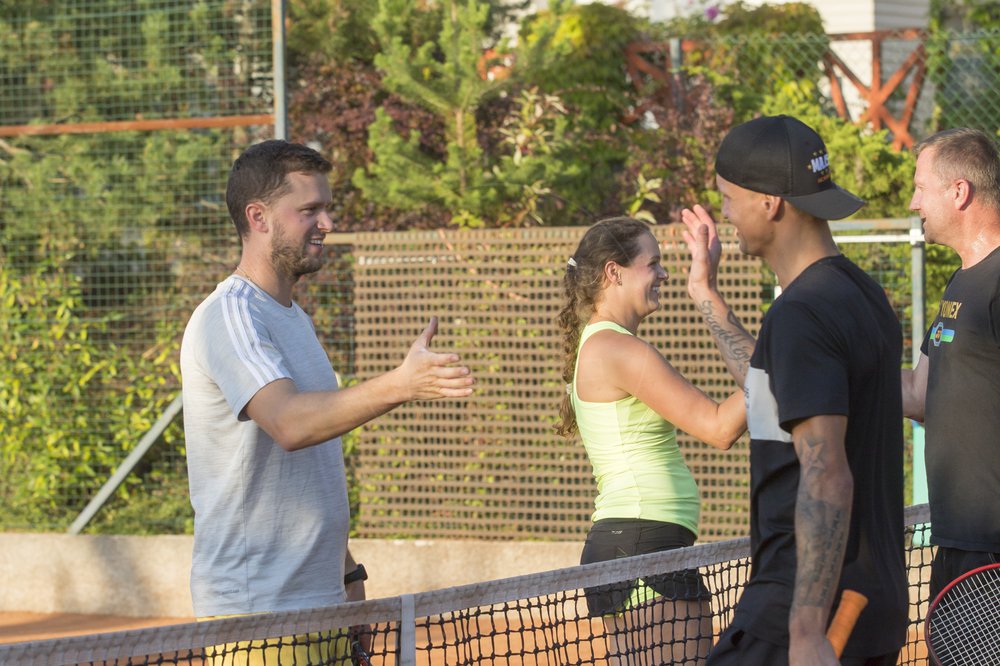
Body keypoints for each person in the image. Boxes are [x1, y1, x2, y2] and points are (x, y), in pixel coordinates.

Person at [180, 139, 475, 663]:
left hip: (322, 608)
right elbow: (291, 425)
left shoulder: (294, 319)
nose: (328, 223)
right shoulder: (230, 317)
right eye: (310, 210)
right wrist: (402, 384)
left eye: (326, 208)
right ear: (259, 217)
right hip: (260, 618)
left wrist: (348, 578)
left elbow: (310, 472)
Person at [680, 115, 908, 666]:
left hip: (804, 612)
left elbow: (826, 470)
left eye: (728, 199)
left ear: (769, 203)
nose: (726, 215)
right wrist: (706, 297)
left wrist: (806, 630)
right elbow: (771, 391)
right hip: (870, 602)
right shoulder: (859, 293)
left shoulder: (801, 312)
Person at [555, 216, 749, 665]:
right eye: (654, 263)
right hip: (642, 542)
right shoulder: (616, 349)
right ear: (614, 272)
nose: (663, 274)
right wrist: (778, 363)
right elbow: (720, 428)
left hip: (638, 541)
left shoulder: (603, 344)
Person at [900, 127, 1000, 602]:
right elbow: (920, 393)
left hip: (993, 546)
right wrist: (829, 371)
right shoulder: (961, 281)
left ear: (959, 192)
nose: (914, 203)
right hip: (958, 540)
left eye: (921, 188)